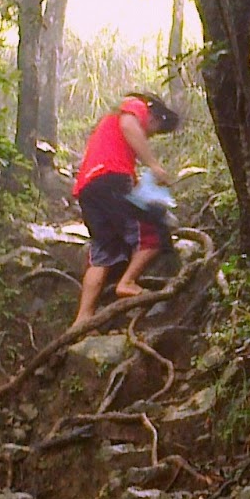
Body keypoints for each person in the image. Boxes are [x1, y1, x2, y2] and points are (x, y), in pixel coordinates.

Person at [71, 93, 179, 325]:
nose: (150, 136)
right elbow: (129, 125)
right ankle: (127, 282)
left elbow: (131, 185)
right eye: (155, 131)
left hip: (88, 188)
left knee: (103, 253)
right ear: (154, 116)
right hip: (111, 180)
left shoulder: (110, 133)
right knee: (155, 231)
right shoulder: (135, 106)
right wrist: (154, 165)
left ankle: (82, 319)